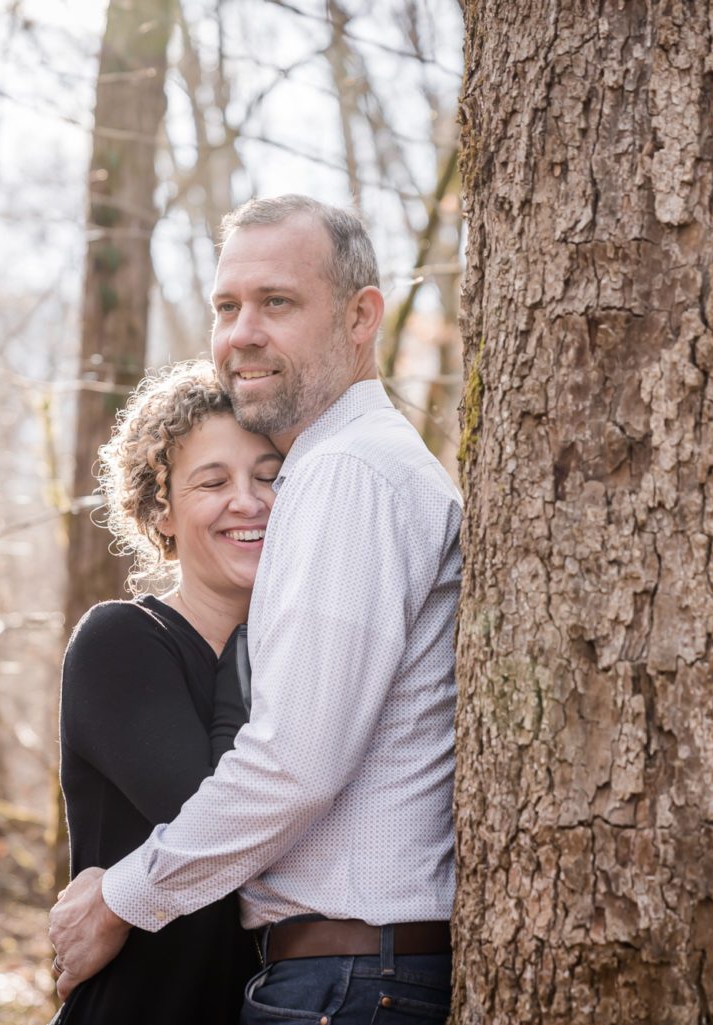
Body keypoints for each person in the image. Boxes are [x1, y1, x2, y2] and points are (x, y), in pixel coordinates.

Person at [49, 194, 462, 1025]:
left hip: (348, 978)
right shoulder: (349, 465)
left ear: (361, 316)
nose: (243, 332)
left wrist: (119, 896)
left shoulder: (347, 472)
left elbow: (292, 764)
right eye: (227, 306)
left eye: (277, 302)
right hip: (345, 977)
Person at [50, 360, 273, 1023]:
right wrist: (247, 639)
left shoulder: (305, 657)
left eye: (268, 476)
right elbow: (225, 828)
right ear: (160, 510)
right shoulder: (120, 643)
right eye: (213, 481)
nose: (248, 501)